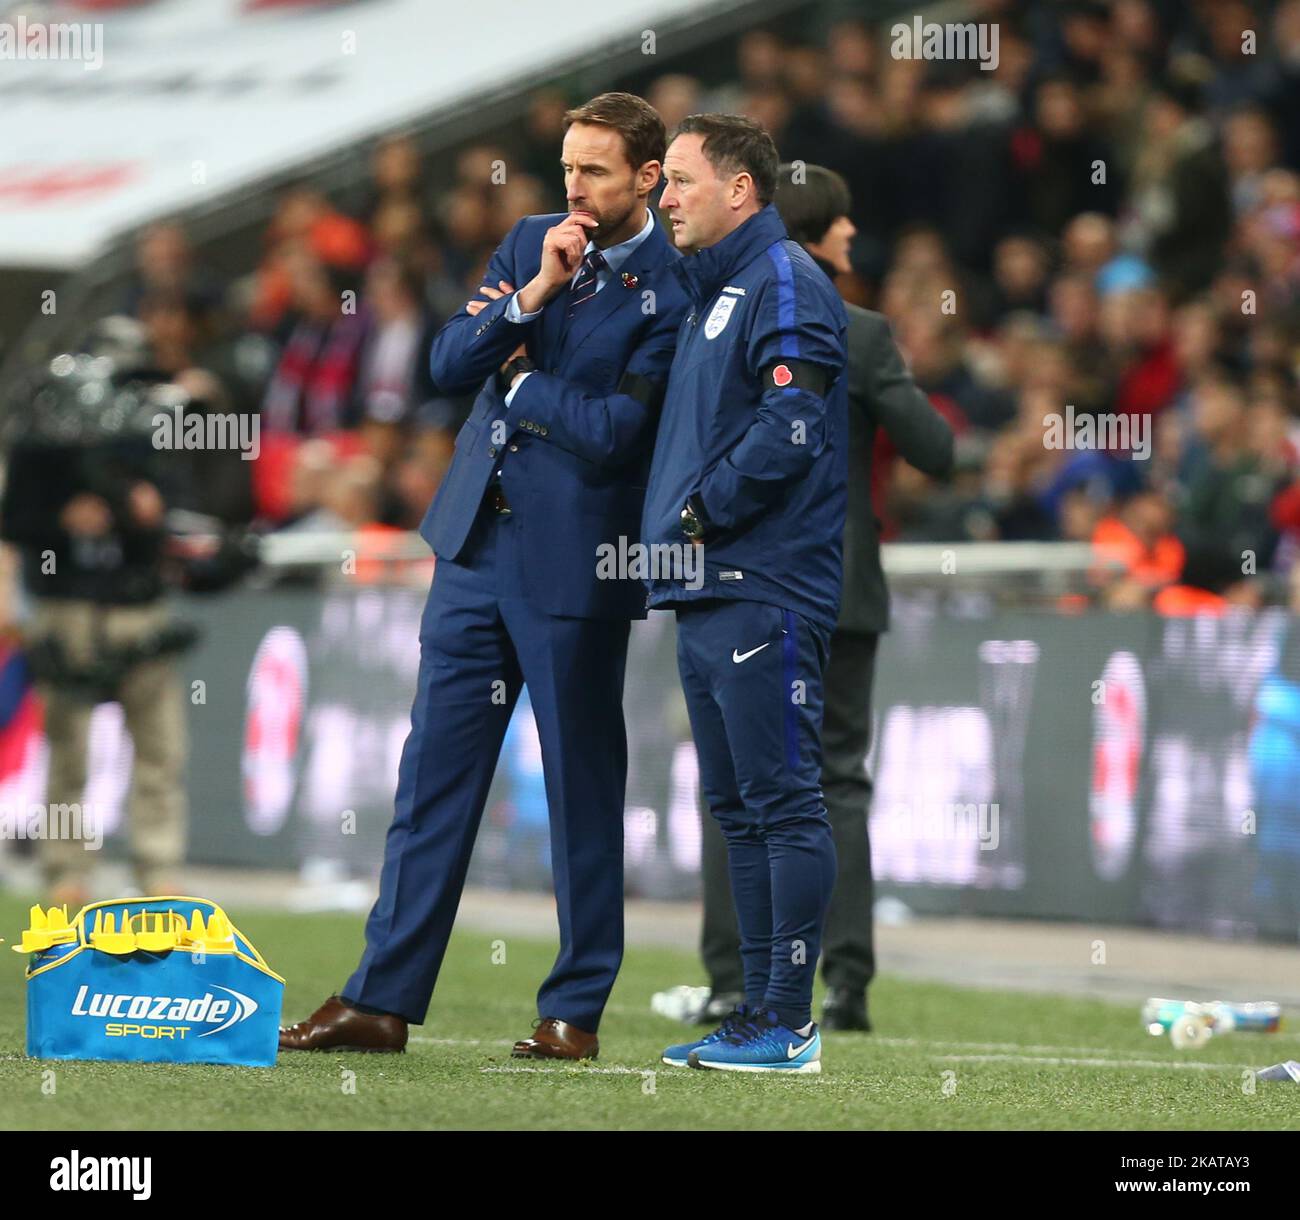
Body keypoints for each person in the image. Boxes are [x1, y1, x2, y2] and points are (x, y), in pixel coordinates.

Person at [280, 93, 690, 1059]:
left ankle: (575, 1010)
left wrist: (523, 384)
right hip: (473, 546)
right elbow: (443, 361)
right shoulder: (530, 242)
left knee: (582, 785)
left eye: (596, 171)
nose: (575, 188)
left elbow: (617, 433)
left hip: (576, 562)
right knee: (432, 780)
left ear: (647, 178)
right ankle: (381, 1000)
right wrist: (533, 298)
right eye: (568, 167)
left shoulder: (675, 288)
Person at [664, 164, 954, 1034]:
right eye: (846, 225)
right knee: (826, 784)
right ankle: (844, 983)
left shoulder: (726, 306)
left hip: (742, 574)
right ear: (820, 230)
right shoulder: (854, 327)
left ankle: (734, 981)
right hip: (831, 587)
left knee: (745, 787)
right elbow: (935, 449)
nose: (855, 238)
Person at [641, 115, 848, 1073]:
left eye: (680, 179)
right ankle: (757, 1013)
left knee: (783, 802)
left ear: (742, 190)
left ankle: (787, 1022)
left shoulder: (784, 279)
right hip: (710, 584)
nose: (664, 196)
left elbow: (794, 417)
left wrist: (699, 514)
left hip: (762, 578)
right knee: (739, 808)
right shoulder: (717, 286)